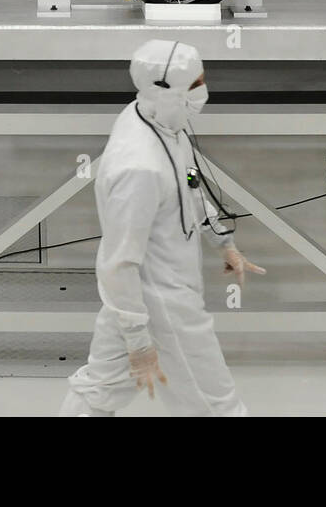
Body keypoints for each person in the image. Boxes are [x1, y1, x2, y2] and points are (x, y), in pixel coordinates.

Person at [59, 39, 265, 417]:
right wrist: (139, 342)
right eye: (196, 84)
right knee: (217, 405)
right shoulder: (138, 167)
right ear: (166, 90)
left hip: (135, 301)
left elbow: (189, 181)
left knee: (98, 390)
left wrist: (223, 241)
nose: (203, 92)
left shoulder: (159, 120)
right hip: (164, 305)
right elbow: (118, 263)